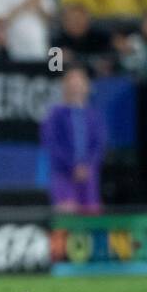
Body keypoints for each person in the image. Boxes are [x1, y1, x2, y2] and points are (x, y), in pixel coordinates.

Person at [41, 66, 106, 213]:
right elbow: (52, 144)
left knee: (92, 215)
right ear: (65, 87)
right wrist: (72, 166)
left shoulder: (94, 116)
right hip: (63, 175)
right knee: (67, 218)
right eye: (72, 85)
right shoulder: (55, 115)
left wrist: (88, 166)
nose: (76, 89)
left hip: (88, 176)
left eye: (79, 85)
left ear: (87, 87)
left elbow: (98, 145)